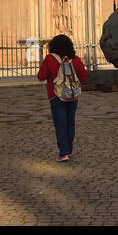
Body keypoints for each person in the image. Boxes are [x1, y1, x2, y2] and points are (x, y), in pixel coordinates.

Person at [36, 34, 88, 162]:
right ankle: (68, 150)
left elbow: (41, 76)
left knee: (60, 124)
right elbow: (84, 77)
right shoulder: (75, 60)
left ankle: (63, 153)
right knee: (70, 123)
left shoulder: (49, 59)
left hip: (56, 95)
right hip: (72, 95)